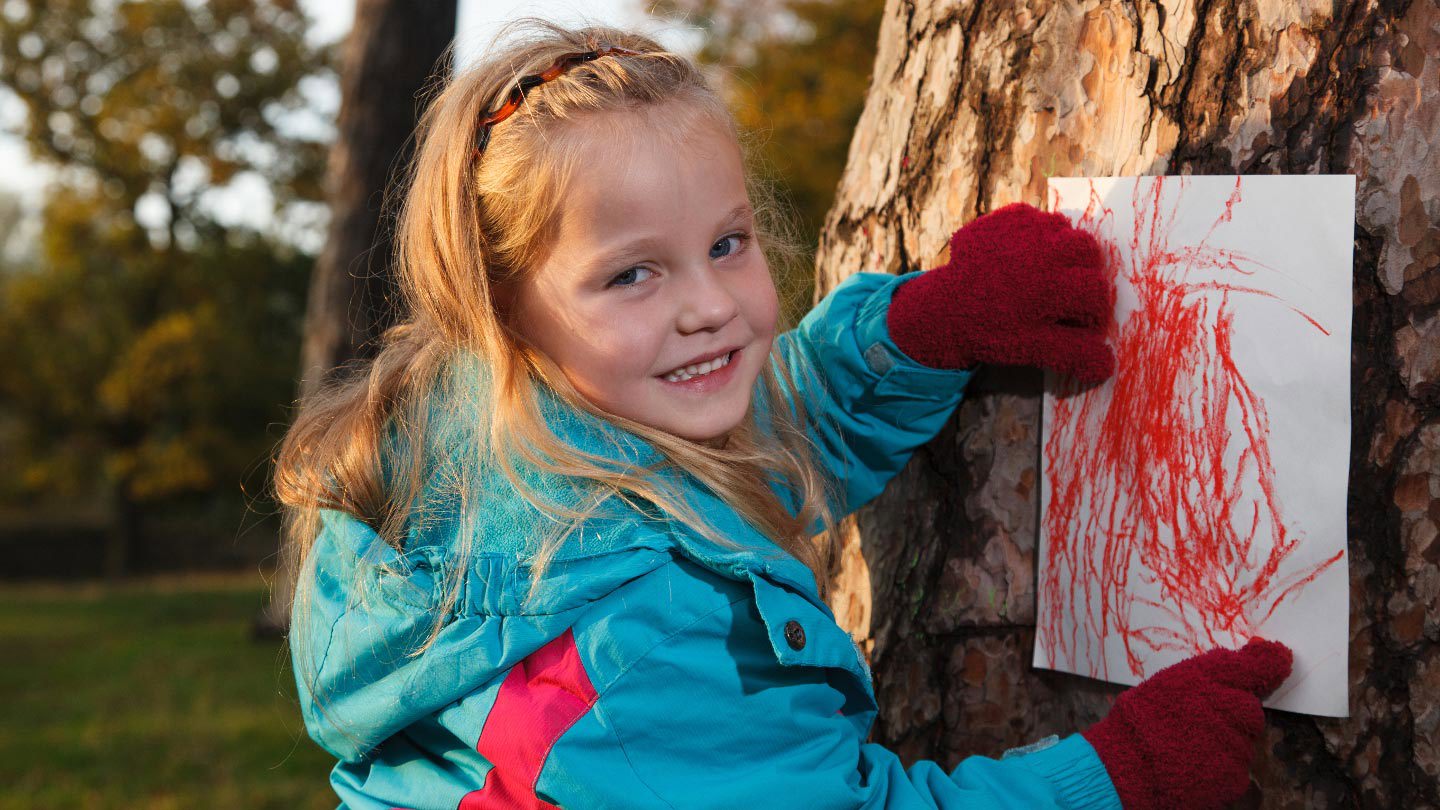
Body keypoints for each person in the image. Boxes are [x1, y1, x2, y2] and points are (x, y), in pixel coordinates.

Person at [275, 19, 1293, 810]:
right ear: (501, 309)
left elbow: (756, 443)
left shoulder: (492, 448)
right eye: (633, 274)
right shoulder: (637, 647)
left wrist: (913, 335)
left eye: (728, 244)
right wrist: (1114, 779)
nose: (710, 306)